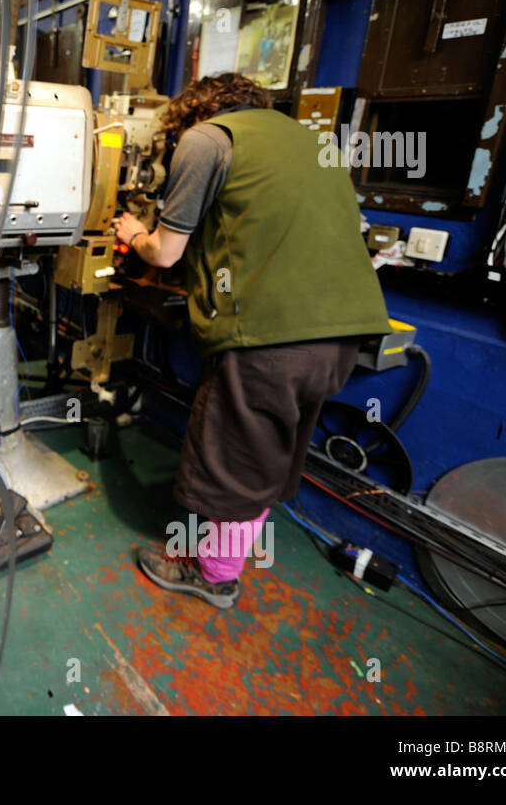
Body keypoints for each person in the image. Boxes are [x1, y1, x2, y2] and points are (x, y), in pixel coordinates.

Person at [113, 72, 390, 609]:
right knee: (267, 454)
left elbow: (165, 252)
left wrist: (132, 234)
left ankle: (214, 576)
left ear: (195, 112)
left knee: (232, 457)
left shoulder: (207, 140)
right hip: (341, 336)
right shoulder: (312, 143)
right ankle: (223, 559)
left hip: (272, 336)